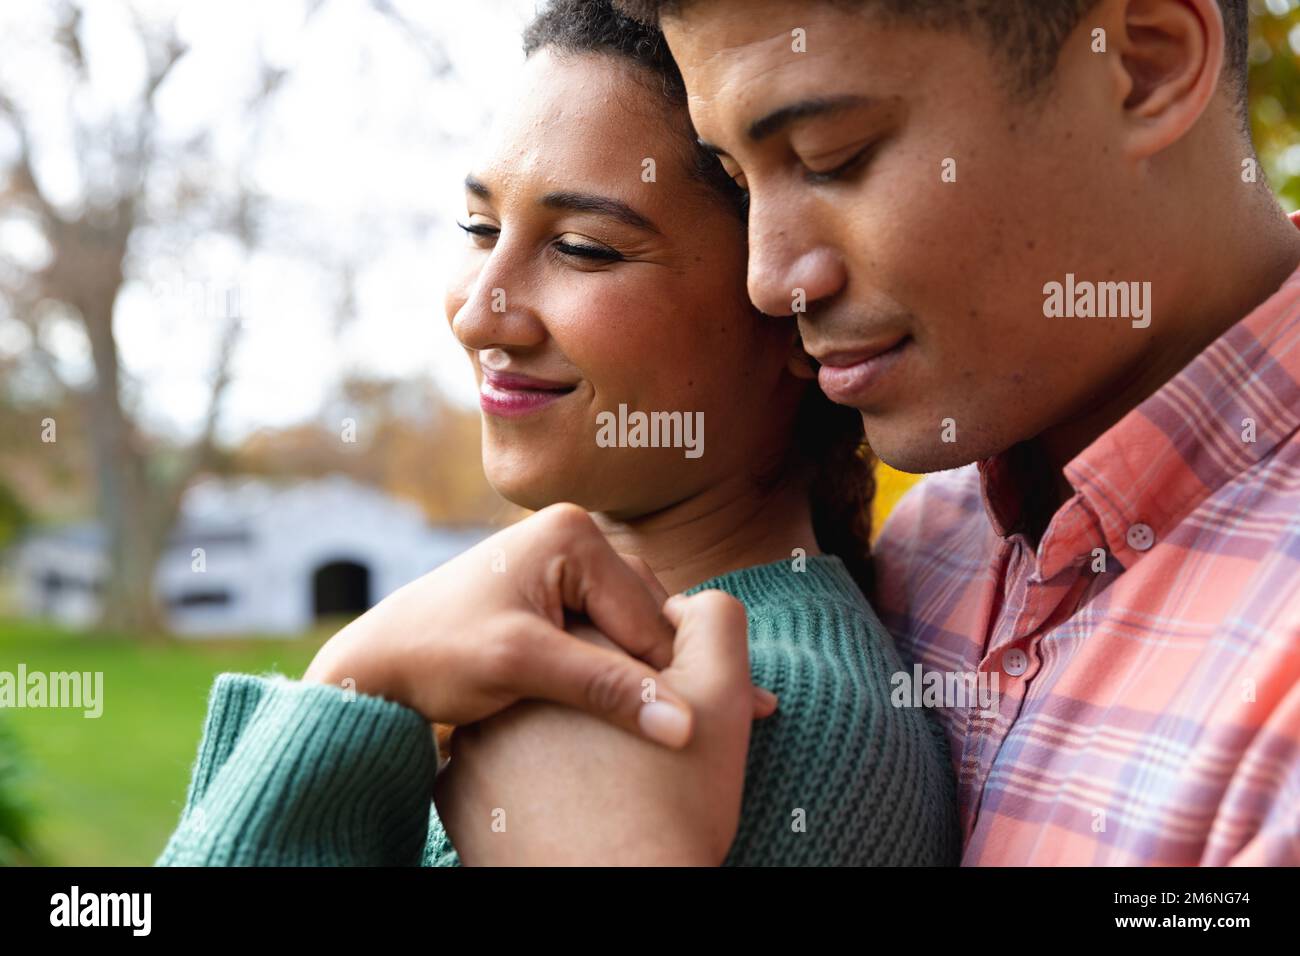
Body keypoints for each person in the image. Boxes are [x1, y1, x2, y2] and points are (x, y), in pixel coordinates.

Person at [440, 0, 1298, 865]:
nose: (769, 283)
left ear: (1145, 62)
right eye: (737, 183)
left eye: (831, 159)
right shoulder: (930, 543)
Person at [155, 0, 959, 867]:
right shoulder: (548, 641)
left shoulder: (750, 714)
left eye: (583, 248)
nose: (477, 314)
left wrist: (352, 688)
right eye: (480, 229)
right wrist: (358, 676)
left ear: (787, 310)